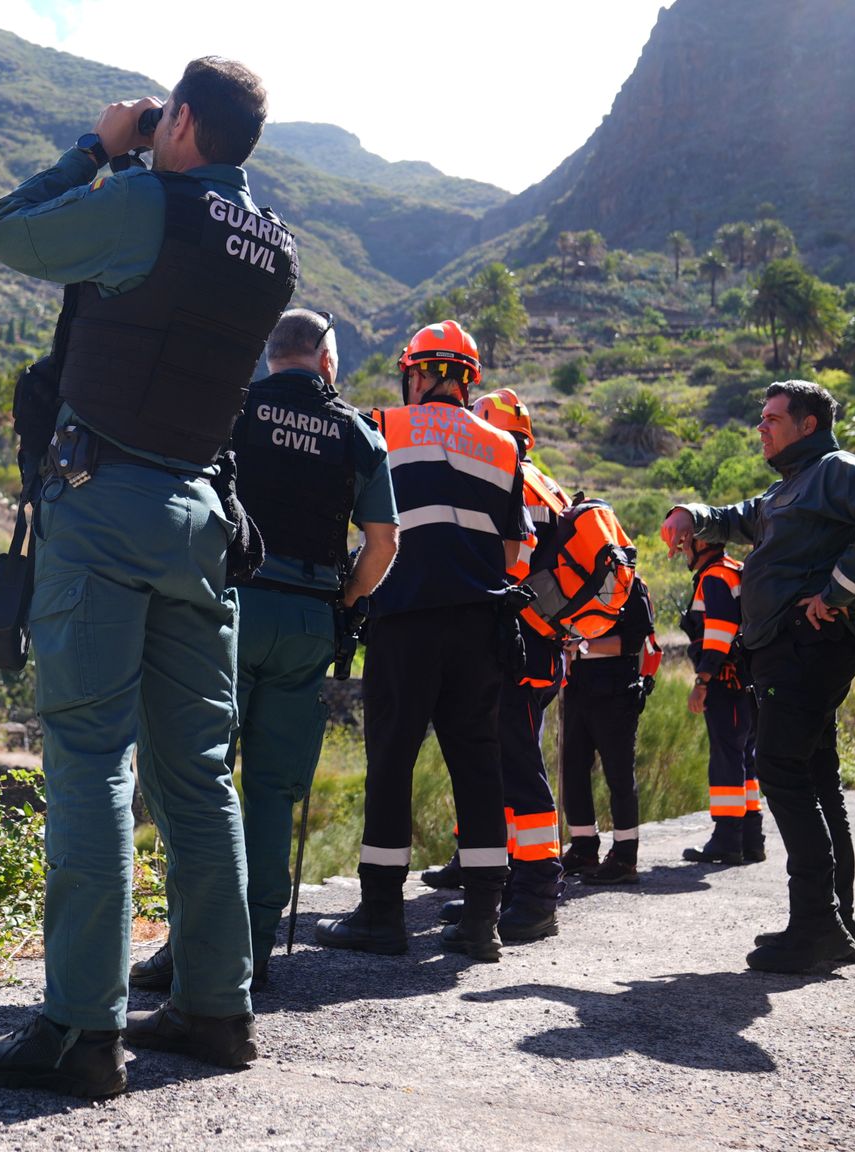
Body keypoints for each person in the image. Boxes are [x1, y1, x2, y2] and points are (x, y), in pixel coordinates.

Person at [0, 57, 298, 1097]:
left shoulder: (144, 202)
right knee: (195, 773)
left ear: (182, 120)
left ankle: (80, 1030)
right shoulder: (274, 247)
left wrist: (100, 148)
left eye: (163, 122)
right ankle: (214, 1008)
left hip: (104, 509)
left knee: (90, 758)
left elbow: (11, 231)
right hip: (200, 522)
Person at [129, 308, 399, 994]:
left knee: (199, 776)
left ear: (270, 352)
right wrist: (344, 602)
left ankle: (191, 944)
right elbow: (383, 542)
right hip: (309, 621)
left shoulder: (234, 410)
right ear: (327, 361)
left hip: (227, 610)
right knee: (274, 790)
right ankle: (251, 947)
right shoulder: (356, 431)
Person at [661, 380, 855, 974]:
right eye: (761, 418)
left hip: (807, 644)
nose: (762, 427)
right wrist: (690, 514)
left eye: (773, 418)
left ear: (807, 424)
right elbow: (729, 518)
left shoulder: (834, 469)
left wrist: (841, 590)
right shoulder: (785, 489)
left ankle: (816, 928)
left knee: (778, 768)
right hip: (787, 649)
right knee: (817, 781)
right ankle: (833, 926)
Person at [314, 320, 532, 962]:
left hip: (405, 619)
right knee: (478, 765)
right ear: (468, 382)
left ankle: (382, 914)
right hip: (479, 623)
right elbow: (517, 547)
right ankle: (482, 921)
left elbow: (351, 521)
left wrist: (352, 590)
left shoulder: (384, 423)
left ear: (416, 373)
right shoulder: (502, 445)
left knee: (391, 762)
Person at [421, 388, 568, 941]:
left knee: (520, 774)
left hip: (520, 652)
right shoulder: (543, 483)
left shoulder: (516, 482)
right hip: (537, 648)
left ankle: (536, 898)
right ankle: (507, 888)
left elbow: (515, 564)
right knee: (507, 770)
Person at [556, 573, 656, 885]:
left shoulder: (631, 584)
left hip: (615, 695)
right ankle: (584, 848)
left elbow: (633, 640)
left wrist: (582, 647)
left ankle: (625, 857)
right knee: (572, 771)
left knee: (619, 776)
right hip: (578, 693)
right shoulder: (574, 580)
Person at [676, 534, 767, 865]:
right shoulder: (735, 570)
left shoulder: (714, 577)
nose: (682, 551)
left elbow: (717, 634)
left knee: (727, 759)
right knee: (746, 759)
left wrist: (702, 680)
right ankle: (752, 840)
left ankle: (727, 840)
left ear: (701, 545)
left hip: (725, 683)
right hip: (747, 682)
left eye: (685, 545)